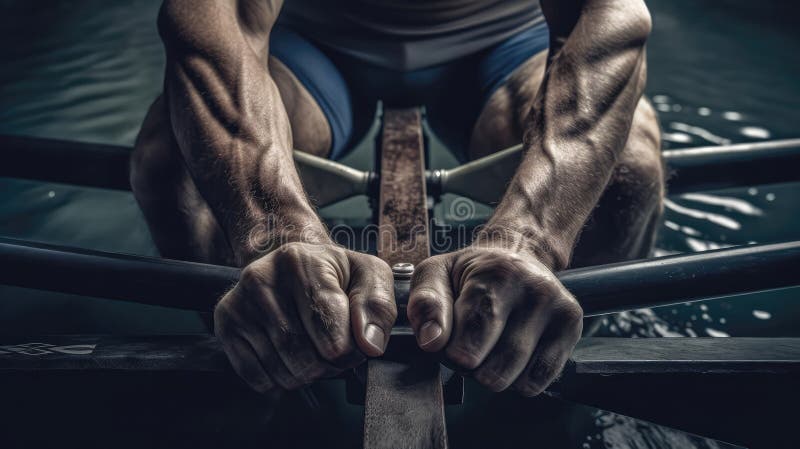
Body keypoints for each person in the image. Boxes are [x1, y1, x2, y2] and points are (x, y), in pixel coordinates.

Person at [131, 0, 663, 397]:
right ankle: (265, 350)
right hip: (319, 44)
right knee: (167, 161)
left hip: (500, 42)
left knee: (629, 169)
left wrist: (529, 241)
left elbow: (611, 16)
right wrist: (276, 234)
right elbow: (211, 19)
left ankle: (539, 358)